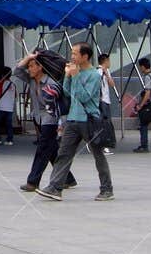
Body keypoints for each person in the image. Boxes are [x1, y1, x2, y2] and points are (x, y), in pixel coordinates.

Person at [39, 44, 115, 201]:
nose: (72, 57)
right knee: (63, 154)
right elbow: (67, 93)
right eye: (72, 53)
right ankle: (55, 187)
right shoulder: (75, 72)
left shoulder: (94, 75)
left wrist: (75, 76)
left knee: (98, 155)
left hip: (89, 121)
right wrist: (67, 77)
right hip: (73, 120)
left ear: (85, 56)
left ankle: (107, 189)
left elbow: (85, 97)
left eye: (75, 54)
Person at [13, 51, 63, 193]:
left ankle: (33, 181)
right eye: (29, 66)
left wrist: (60, 126)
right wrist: (29, 57)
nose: (29, 69)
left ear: (40, 67)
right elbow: (17, 71)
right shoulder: (31, 80)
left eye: (32, 66)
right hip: (39, 118)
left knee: (42, 149)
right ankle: (68, 178)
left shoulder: (51, 83)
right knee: (51, 150)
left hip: (50, 120)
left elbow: (56, 106)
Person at [0, 70, 17, 145]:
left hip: (1, 107)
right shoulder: (13, 84)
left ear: (2, 75)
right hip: (10, 108)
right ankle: (10, 140)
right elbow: (15, 96)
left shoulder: (1, 83)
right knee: (9, 124)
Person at [96, 52, 115, 155]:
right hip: (101, 100)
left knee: (107, 122)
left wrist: (107, 74)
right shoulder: (98, 72)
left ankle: (105, 144)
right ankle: (102, 145)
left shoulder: (106, 71)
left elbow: (112, 84)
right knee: (104, 122)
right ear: (105, 61)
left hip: (107, 100)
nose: (110, 63)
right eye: (109, 60)